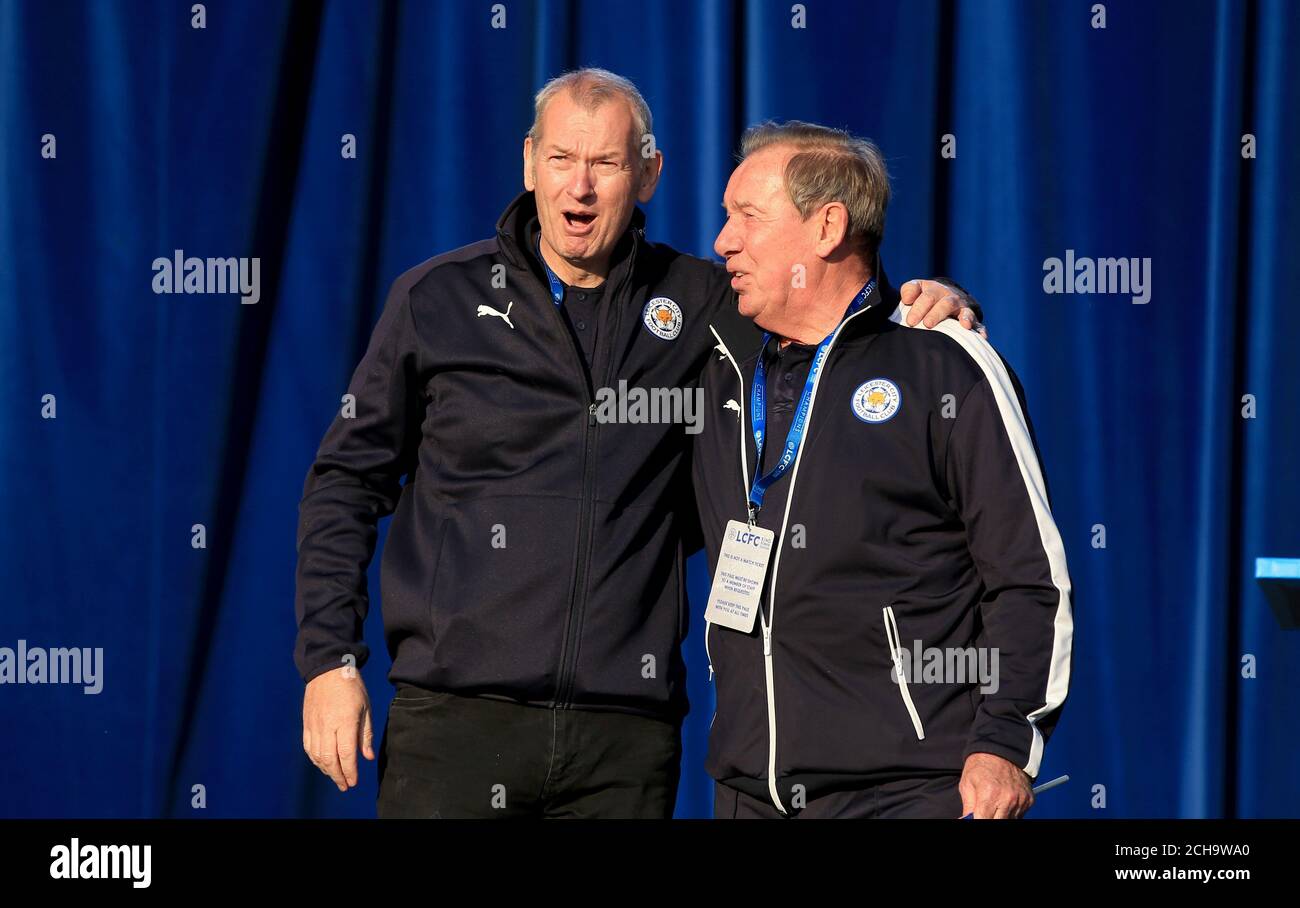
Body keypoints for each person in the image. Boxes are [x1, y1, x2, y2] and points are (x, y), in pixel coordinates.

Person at [294, 69, 980, 818]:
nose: (579, 188)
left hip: (626, 738)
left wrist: (925, 301)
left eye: (606, 164)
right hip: (455, 723)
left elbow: (824, 311)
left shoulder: (706, 303)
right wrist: (329, 660)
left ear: (648, 173)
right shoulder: (439, 299)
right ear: (529, 163)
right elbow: (345, 481)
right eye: (560, 159)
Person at [694, 121, 1073, 819]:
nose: (723, 240)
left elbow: (1029, 579)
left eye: (746, 216)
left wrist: (1004, 746)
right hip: (748, 793)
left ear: (827, 226)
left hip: (907, 792)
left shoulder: (944, 366)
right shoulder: (717, 359)